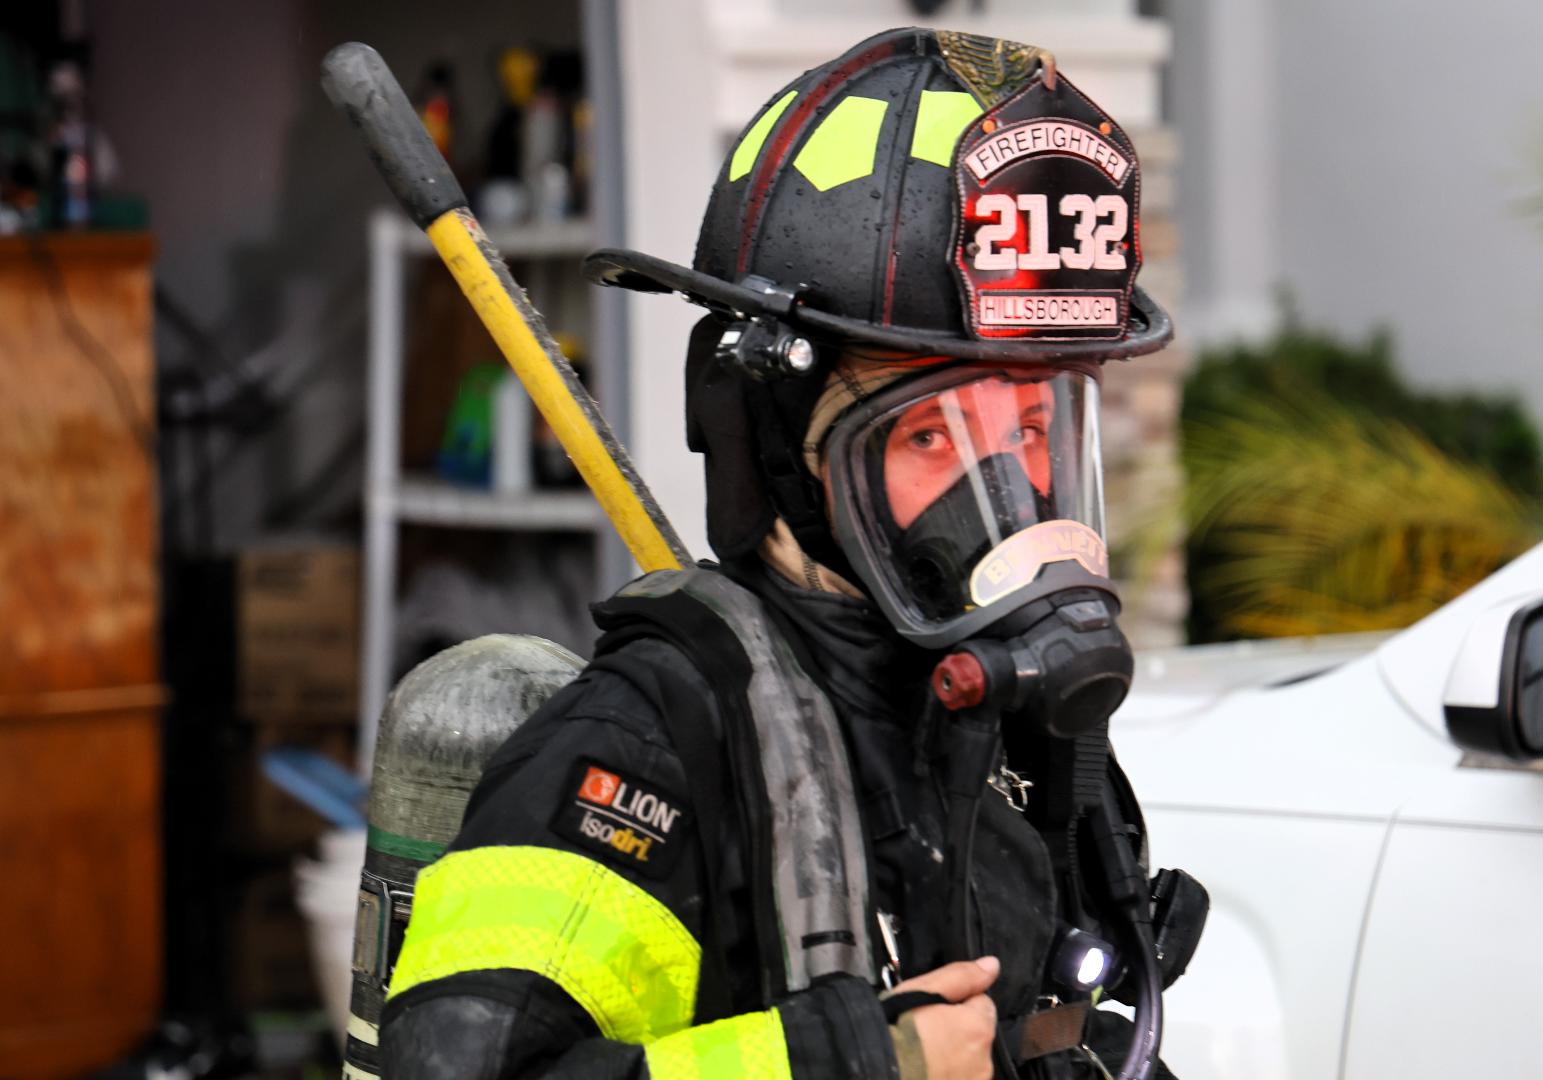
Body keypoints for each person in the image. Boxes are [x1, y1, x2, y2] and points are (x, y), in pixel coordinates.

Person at [377, 27, 1203, 1080]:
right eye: (931, 436)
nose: (1009, 493)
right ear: (774, 442)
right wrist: (855, 1062)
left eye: (1036, 428)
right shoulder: (645, 752)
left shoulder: (1002, 726)